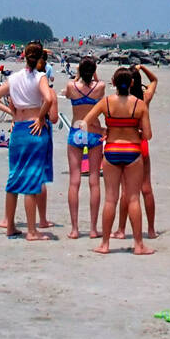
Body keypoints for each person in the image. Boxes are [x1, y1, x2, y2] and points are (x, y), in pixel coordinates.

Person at [0, 41, 55, 241]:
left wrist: (12, 112)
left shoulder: (14, 77)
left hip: (18, 128)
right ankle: (32, 231)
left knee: (14, 177)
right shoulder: (40, 77)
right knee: (32, 180)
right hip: (34, 128)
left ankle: (10, 225)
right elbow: (49, 99)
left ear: (24, 55)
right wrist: (41, 117)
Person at [85, 67, 154, 255]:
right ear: (132, 83)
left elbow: (86, 122)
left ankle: (105, 244)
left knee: (110, 199)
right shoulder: (139, 104)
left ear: (113, 83)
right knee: (133, 198)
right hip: (132, 151)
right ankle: (139, 245)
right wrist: (137, 132)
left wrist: (102, 132)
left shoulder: (105, 103)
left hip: (111, 150)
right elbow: (148, 134)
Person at [113, 64, 158, 240]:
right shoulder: (144, 98)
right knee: (146, 188)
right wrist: (143, 68)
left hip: (124, 144)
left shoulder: (120, 99)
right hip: (141, 143)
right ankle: (152, 229)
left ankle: (122, 229)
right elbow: (154, 80)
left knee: (126, 191)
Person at [62, 57, 105, 239]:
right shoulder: (100, 87)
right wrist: (92, 73)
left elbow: (68, 90)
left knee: (74, 180)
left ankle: (74, 228)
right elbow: (98, 81)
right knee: (94, 180)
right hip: (94, 132)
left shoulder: (72, 86)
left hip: (77, 130)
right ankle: (94, 229)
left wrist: (79, 74)